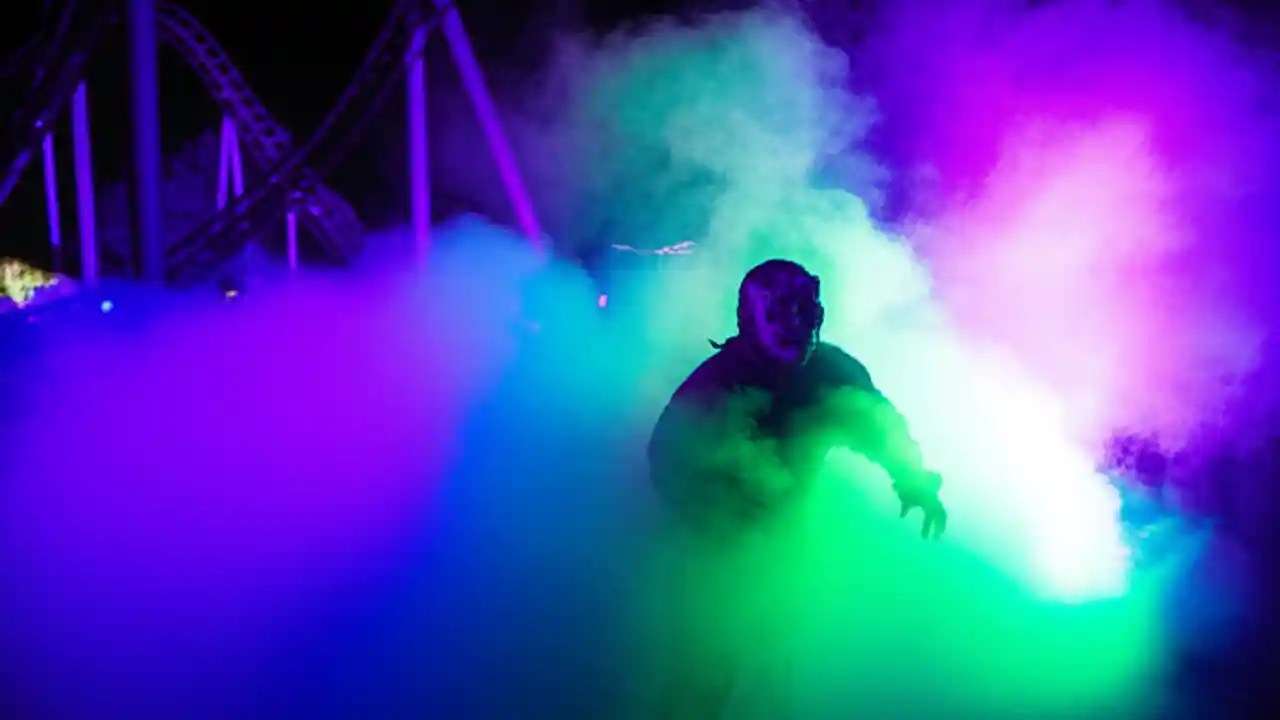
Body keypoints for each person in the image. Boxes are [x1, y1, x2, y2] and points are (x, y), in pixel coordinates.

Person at [645, 258, 945, 718]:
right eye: (785, 312)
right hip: (717, 559)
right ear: (752, 318)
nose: (799, 325)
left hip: (787, 550)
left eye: (807, 312)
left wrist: (914, 481)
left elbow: (882, 429)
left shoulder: (830, 373)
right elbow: (665, 461)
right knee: (704, 676)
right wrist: (718, 520)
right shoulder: (713, 388)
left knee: (776, 677)